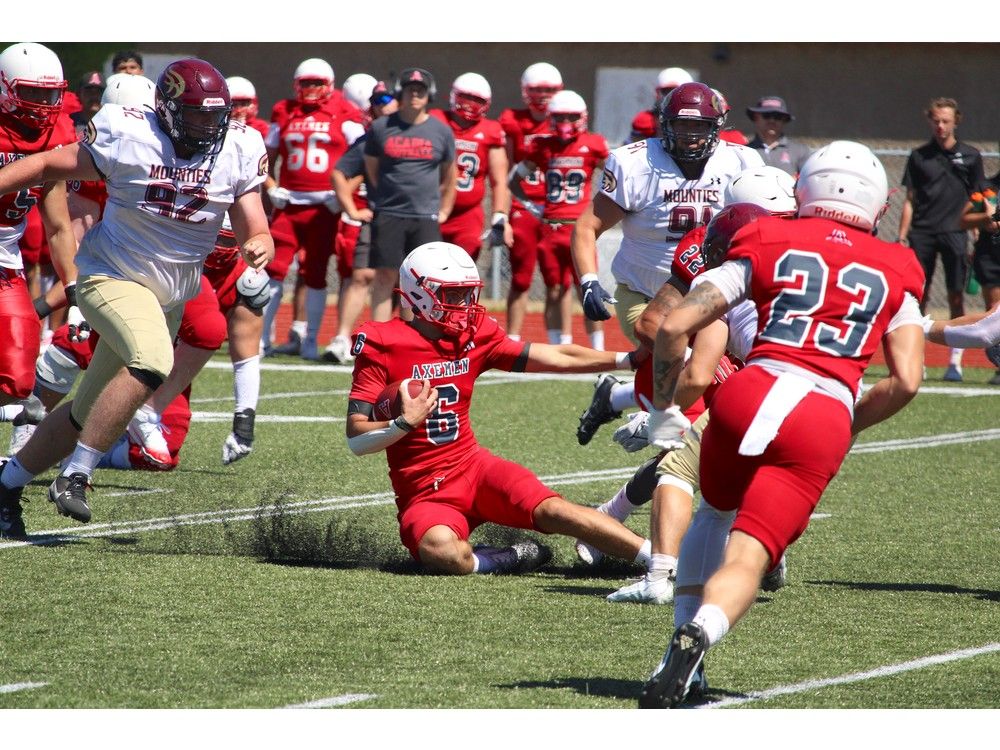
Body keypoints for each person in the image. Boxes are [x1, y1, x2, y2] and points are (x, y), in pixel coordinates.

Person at [639, 141, 926, 708]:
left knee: (713, 513)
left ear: (805, 188)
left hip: (751, 389)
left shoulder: (767, 236)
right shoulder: (899, 265)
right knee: (749, 555)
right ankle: (703, 630)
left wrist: (663, 409)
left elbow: (673, 327)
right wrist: (844, 423)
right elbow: (907, 381)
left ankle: (684, 648)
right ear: (877, 201)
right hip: (822, 411)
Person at [0, 57, 272, 537]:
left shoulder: (239, 146)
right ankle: (76, 474)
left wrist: (260, 242)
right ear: (167, 110)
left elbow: (255, 220)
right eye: (196, 115)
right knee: (152, 361)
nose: (208, 126)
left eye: (215, 115)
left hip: (169, 295)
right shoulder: (129, 133)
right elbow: (45, 164)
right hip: (112, 276)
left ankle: (5, 486)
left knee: (84, 412)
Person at [345, 241, 652, 575]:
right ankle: (507, 558)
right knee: (441, 551)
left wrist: (627, 359)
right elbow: (356, 437)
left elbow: (552, 355)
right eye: (452, 295)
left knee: (557, 511)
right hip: (424, 493)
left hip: (475, 469)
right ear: (419, 294)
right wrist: (402, 423)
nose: (464, 305)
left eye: (467, 294)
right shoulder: (382, 342)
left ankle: (661, 560)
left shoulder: (473, 334)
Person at [0, 42, 78, 447]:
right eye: (32, 93)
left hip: (6, 260)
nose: (43, 105)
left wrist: (74, 290)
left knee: (18, 378)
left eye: (50, 95)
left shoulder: (56, 135)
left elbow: (59, 226)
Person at [261, 58, 364, 360]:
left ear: (329, 84)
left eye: (317, 82)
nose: (311, 88)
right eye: (306, 82)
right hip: (289, 204)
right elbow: (264, 158)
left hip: (324, 207)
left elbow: (366, 160)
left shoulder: (344, 111)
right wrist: (271, 186)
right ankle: (262, 339)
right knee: (273, 270)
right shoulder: (284, 110)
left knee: (316, 273)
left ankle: (310, 340)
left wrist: (343, 195)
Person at [510, 90, 608, 349]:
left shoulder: (594, 145)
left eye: (571, 116)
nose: (565, 122)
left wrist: (601, 207)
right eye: (560, 116)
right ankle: (559, 346)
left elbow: (616, 176)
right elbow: (514, 181)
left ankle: (597, 348)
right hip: (551, 228)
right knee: (554, 290)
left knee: (588, 289)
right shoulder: (542, 146)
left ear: (582, 117)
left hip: (579, 229)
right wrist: (533, 206)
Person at [898, 97, 985, 382]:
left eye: (946, 121)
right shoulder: (918, 156)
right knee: (916, 299)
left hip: (955, 233)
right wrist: (901, 236)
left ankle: (954, 364)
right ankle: (917, 361)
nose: (940, 126)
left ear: (956, 121)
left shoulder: (971, 156)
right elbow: (909, 199)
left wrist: (977, 235)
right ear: (929, 121)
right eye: (936, 120)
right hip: (922, 233)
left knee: (955, 297)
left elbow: (978, 198)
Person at [363, 68, 456, 323]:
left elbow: (450, 175)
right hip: (389, 213)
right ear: (400, 93)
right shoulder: (381, 127)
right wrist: (387, 196)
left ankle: (411, 336)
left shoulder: (441, 131)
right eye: (409, 90)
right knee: (385, 277)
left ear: (429, 94)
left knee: (419, 280)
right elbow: (371, 168)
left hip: (425, 216)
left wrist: (445, 209)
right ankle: (379, 336)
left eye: (420, 90)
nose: (415, 94)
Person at [322, 80, 399, 364]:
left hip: (412, 217)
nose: (381, 106)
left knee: (405, 282)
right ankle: (343, 338)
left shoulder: (422, 133)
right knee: (361, 276)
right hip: (379, 216)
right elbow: (341, 174)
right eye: (376, 101)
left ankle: (398, 342)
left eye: (386, 99)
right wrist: (352, 209)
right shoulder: (371, 139)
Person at [499, 62, 563, 342]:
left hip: (556, 207)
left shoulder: (563, 119)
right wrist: (504, 213)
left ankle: (557, 341)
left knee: (557, 280)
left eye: (549, 90)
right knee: (521, 278)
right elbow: (506, 169)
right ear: (526, 90)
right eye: (537, 89)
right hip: (524, 205)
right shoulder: (513, 121)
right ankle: (512, 340)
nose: (543, 95)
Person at [430, 72, 512, 262]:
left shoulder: (490, 130)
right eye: (466, 96)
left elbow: (499, 180)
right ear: (454, 95)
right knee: (423, 266)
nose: (470, 103)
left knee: (463, 267)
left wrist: (500, 216)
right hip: (430, 210)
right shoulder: (435, 120)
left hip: (466, 216)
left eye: (477, 99)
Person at [960, 160, 1000, 384]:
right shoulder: (987, 188)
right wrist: (986, 217)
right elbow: (963, 219)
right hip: (991, 257)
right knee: (995, 311)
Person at [745, 95, 812, 176]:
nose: (772, 120)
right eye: (767, 115)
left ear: (784, 120)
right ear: (756, 118)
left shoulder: (800, 151)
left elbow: (809, 179)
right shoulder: (744, 151)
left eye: (777, 116)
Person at [629, 67, 692, 142]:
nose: (670, 95)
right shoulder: (646, 121)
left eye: (676, 92)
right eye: (666, 91)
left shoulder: (699, 116)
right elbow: (634, 146)